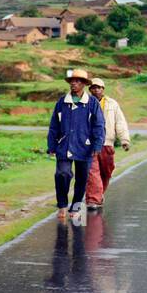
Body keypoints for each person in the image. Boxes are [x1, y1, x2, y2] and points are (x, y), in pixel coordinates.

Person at [46, 68, 105, 223]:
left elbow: (99, 126)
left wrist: (97, 146)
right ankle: (62, 205)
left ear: (84, 84)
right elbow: (54, 125)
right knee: (62, 174)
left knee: (82, 178)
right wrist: (51, 145)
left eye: (78, 81)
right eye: (72, 80)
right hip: (64, 145)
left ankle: (76, 206)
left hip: (85, 147)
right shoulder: (62, 102)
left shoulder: (92, 103)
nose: (74, 83)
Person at [84, 77, 130, 211]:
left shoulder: (112, 104)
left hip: (107, 144)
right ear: (90, 89)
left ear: (103, 89)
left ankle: (98, 195)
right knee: (93, 173)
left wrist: (125, 140)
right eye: (93, 87)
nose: (96, 90)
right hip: (91, 144)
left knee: (107, 172)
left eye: (99, 87)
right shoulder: (85, 103)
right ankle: (93, 200)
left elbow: (120, 122)